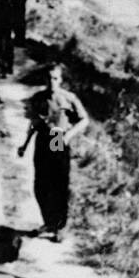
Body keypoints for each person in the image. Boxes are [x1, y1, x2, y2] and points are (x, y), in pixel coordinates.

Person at [20, 64, 89, 242]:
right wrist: (24, 145)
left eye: (55, 78)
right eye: (49, 78)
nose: (52, 82)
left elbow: (84, 119)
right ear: (44, 80)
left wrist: (69, 135)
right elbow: (34, 123)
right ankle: (48, 222)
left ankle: (60, 227)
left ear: (61, 80)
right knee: (41, 185)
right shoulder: (38, 98)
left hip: (58, 137)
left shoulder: (68, 98)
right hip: (43, 139)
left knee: (57, 184)